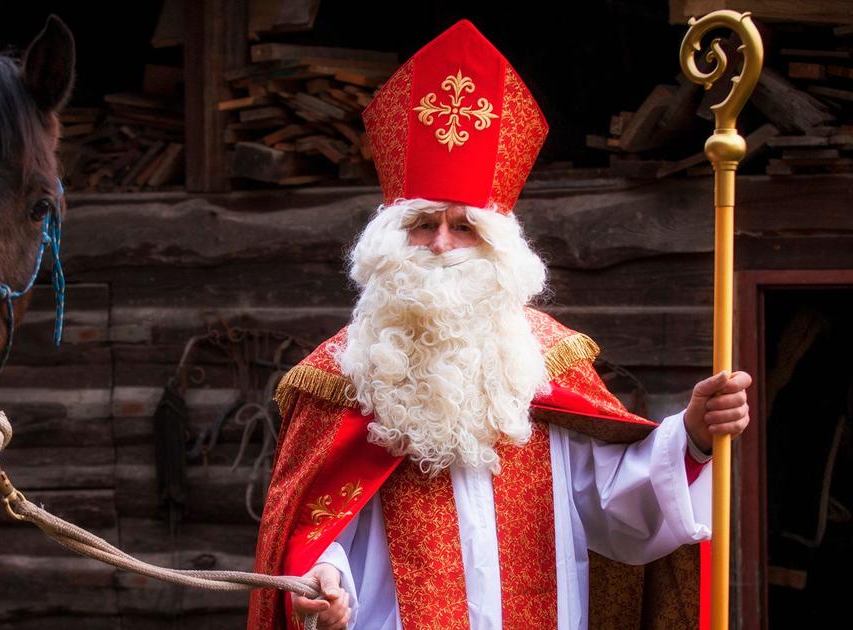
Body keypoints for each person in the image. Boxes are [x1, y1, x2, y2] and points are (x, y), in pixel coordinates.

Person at [247, 20, 750, 630]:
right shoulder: (340, 376)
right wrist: (322, 584)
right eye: (422, 224)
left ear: (498, 246)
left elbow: (617, 512)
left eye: (464, 226)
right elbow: (315, 532)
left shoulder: (544, 360)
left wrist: (692, 435)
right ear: (388, 240)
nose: (441, 244)